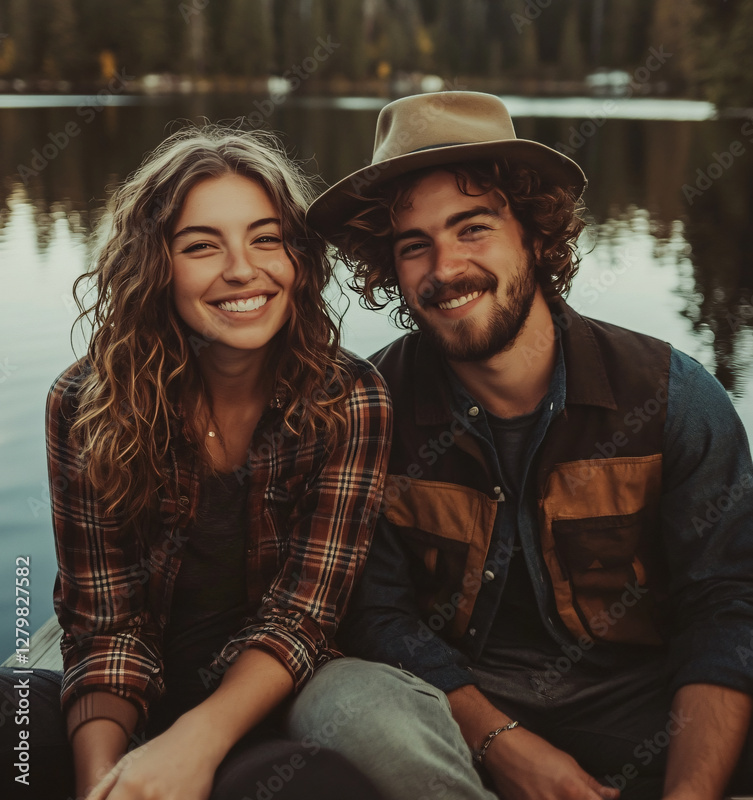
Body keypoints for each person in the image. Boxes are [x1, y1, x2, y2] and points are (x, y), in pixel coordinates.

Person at [289, 91, 753, 800]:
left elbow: (723, 607)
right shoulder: (364, 409)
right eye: (414, 245)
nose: (444, 269)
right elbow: (376, 615)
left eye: (472, 229)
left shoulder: (671, 397)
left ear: (535, 235)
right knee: (337, 701)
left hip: (645, 713)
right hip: (449, 725)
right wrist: (503, 745)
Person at [0, 128, 391, 800]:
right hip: (124, 700)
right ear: (155, 266)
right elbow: (104, 624)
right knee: (14, 722)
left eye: (267, 239)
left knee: (306, 785)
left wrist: (196, 743)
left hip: (258, 713)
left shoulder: (349, 400)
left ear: (299, 260)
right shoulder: (83, 402)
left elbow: (301, 617)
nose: (241, 269)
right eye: (201, 245)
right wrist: (106, 781)